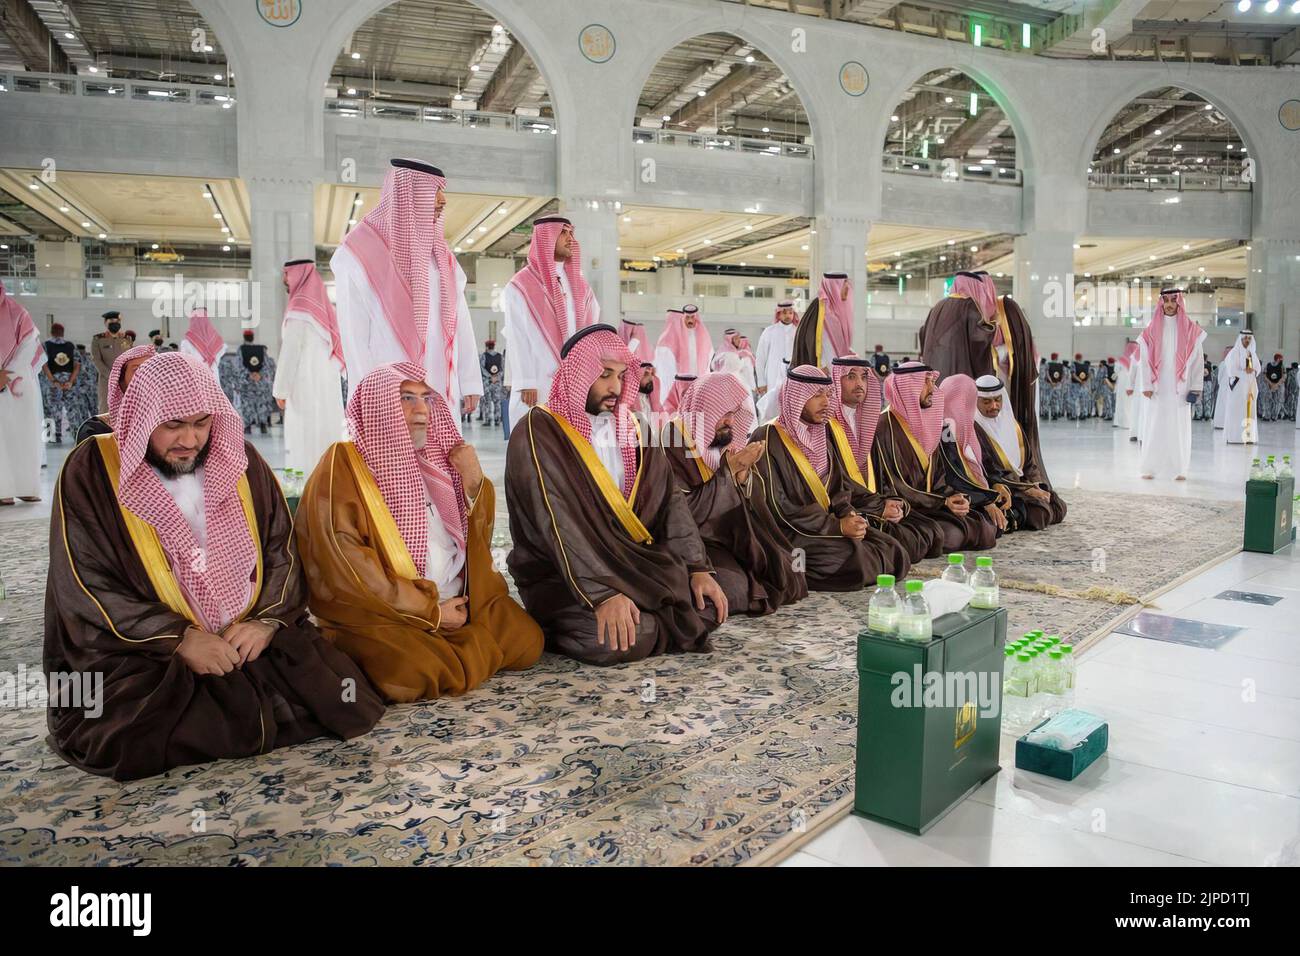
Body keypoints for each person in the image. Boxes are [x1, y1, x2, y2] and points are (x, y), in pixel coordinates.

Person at [44, 352, 384, 780]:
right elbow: (85, 580)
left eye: (201, 423)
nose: (189, 439)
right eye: (172, 425)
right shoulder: (91, 469)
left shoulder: (238, 457)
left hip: (246, 631)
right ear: (145, 416)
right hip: (141, 645)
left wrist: (265, 622)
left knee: (344, 696)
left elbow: (282, 547)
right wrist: (179, 639)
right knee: (130, 732)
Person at [295, 363, 543, 702]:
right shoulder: (341, 466)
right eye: (407, 398)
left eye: (426, 399)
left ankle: (455, 639)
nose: (422, 410)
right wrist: (432, 611)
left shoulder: (436, 458)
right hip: (387, 611)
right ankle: (445, 640)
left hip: (455, 597)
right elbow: (347, 568)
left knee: (527, 640)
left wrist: (475, 484)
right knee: (410, 671)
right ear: (378, 405)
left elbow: (476, 543)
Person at [505, 324, 726, 665]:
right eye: (605, 374)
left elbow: (670, 500)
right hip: (563, 575)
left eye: (622, 375)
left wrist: (698, 566)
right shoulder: (538, 429)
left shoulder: (636, 427)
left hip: (634, 565)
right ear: (577, 374)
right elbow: (557, 522)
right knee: (618, 640)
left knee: (707, 602)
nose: (616, 387)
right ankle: (642, 617)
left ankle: (651, 614)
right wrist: (602, 592)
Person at [331, 158, 482, 422]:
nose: (442, 200)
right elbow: (354, 337)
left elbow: (461, 322)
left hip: (440, 387)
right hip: (389, 388)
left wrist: (469, 381)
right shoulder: (358, 253)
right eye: (434, 191)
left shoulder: (442, 257)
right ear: (409, 195)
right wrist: (366, 397)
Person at [661, 371, 806, 615]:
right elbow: (683, 510)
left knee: (791, 567)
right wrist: (732, 470)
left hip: (728, 535)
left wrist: (743, 478)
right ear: (706, 410)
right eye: (723, 414)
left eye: (732, 414)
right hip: (693, 543)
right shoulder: (673, 440)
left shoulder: (720, 442)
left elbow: (749, 501)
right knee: (736, 589)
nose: (729, 421)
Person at [751, 365, 909, 588]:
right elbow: (778, 507)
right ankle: (787, 567)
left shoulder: (820, 433)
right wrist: (836, 527)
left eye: (828, 395)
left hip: (822, 528)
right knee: (853, 560)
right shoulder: (768, 436)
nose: (826, 403)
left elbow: (838, 486)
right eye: (817, 396)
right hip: (789, 534)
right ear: (796, 398)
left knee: (893, 548)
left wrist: (848, 515)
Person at [827, 354, 939, 563]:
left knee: (930, 531)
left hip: (871, 504)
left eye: (864, 377)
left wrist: (892, 500)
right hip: (847, 510)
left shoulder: (867, 423)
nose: (859, 384)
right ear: (835, 380)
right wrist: (878, 507)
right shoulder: (826, 426)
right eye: (850, 377)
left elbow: (881, 472)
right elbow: (837, 480)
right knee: (899, 545)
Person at [871, 362, 995, 551]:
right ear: (908, 388)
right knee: (947, 534)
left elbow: (938, 476)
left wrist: (953, 497)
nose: (932, 388)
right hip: (906, 508)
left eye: (932, 381)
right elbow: (894, 485)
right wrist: (942, 502)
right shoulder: (883, 427)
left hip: (931, 505)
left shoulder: (929, 425)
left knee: (982, 527)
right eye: (925, 382)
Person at [502, 216, 598, 430]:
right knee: (539, 444)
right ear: (547, 237)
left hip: (576, 381)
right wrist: (526, 380)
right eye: (563, 233)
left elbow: (593, 329)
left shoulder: (580, 285)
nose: (570, 238)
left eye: (571, 233)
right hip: (539, 381)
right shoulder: (521, 285)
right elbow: (517, 336)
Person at [274, 258, 346, 474]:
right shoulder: (325, 311)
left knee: (304, 440)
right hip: (327, 389)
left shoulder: (298, 312)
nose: (285, 280)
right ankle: (328, 483)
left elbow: (290, 354)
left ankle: (307, 490)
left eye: (287, 275)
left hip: (304, 388)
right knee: (326, 436)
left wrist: (280, 390)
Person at [974, 375, 1067, 530]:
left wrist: (1035, 484)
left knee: (1057, 504)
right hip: (1002, 488)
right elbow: (988, 472)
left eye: (998, 400)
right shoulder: (974, 428)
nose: (994, 405)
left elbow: (1029, 461)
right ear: (976, 401)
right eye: (987, 401)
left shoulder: (1013, 425)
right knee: (1039, 514)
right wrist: (1024, 488)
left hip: (1021, 485)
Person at [1137, 289, 1206, 479]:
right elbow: (1143, 360)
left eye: (1172, 301)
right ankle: (1150, 467)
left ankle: (1179, 468)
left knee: (1179, 427)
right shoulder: (1150, 330)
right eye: (1165, 301)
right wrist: (1146, 386)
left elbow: (1198, 362)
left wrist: (1196, 387)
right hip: (1157, 388)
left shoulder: (1191, 330)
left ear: (1179, 303)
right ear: (1161, 303)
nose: (1169, 304)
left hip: (1181, 388)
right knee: (1154, 425)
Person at [937, 374, 1008, 538]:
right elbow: (952, 475)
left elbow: (985, 463)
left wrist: (997, 484)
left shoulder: (967, 425)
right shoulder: (943, 430)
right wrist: (985, 501)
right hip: (955, 496)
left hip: (975, 493)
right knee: (983, 527)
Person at [0, 279, 45, 505]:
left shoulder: (17, 312)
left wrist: (5, 373)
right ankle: (3, 491)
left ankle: (27, 487)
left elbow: (29, 345)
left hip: (17, 383)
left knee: (23, 435)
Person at [917, 271, 994, 381]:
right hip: (958, 378)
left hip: (933, 378)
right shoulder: (969, 306)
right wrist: (992, 327)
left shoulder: (937, 306)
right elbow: (979, 340)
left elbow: (923, 333)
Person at [74, 343, 156, 443]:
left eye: (151, 369)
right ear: (120, 381)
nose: (145, 374)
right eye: (137, 369)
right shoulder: (97, 430)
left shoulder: (171, 424)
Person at [792, 274, 853, 370]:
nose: (847, 289)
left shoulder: (839, 309)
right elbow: (814, 339)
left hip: (838, 370)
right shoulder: (819, 308)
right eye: (843, 284)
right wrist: (822, 365)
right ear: (834, 287)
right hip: (822, 371)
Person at [654, 305, 713, 404]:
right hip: (676, 388)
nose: (690, 321)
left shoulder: (703, 335)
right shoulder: (667, 341)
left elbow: (708, 361)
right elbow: (666, 372)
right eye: (687, 318)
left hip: (698, 386)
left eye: (692, 317)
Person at [40, 323, 80, 444]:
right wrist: (70, 381)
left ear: (51, 332)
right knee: (72, 409)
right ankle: (76, 435)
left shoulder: (45, 345)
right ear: (63, 332)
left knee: (51, 410)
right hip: (68, 381)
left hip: (53, 383)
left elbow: (44, 365)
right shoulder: (70, 345)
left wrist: (53, 381)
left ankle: (52, 436)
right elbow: (77, 365)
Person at [1220, 329, 1260, 445]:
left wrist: (1253, 371)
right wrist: (1244, 372)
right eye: (1245, 338)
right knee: (1236, 411)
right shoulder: (1234, 352)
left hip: (1250, 386)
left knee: (1250, 411)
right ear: (1241, 339)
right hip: (1238, 387)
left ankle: (1249, 437)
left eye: (1249, 339)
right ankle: (1235, 437)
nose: (1247, 340)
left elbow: (1258, 369)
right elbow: (1232, 370)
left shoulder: (1252, 353)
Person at [755, 300, 798, 403]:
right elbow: (760, 358)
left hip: (793, 376)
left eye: (790, 313)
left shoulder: (798, 331)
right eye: (784, 312)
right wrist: (761, 382)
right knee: (772, 406)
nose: (788, 315)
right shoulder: (769, 332)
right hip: (772, 377)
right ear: (778, 314)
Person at [234, 329, 276, 435]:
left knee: (247, 405)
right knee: (261, 404)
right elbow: (267, 365)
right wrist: (259, 374)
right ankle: (263, 425)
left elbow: (238, 365)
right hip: (259, 383)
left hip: (247, 384)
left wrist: (249, 375)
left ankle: (248, 427)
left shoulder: (241, 349)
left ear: (244, 338)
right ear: (253, 337)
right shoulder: (261, 349)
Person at [90, 310, 130, 414]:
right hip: (106, 380)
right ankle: (106, 429)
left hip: (123, 380)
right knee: (105, 409)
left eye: (117, 321)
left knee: (125, 408)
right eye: (111, 321)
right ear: (105, 323)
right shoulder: (98, 339)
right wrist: (111, 375)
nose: (114, 324)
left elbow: (130, 358)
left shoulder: (126, 339)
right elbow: (96, 359)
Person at [180, 307, 226, 383]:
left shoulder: (186, 343)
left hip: (196, 378)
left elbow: (185, 364)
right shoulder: (218, 342)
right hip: (213, 377)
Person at [1114, 341, 1140, 431]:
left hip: (1122, 383)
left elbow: (1116, 371)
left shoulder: (1121, 360)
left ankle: (1119, 422)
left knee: (1121, 402)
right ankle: (1128, 423)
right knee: (1129, 403)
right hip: (1131, 383)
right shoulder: (1136, 360)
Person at [479, 339, 505, 428]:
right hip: (497, 382)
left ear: (486, 346)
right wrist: (496, 377)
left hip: (487, 382)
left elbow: (482, 368)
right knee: (497, 401)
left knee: (487, 401)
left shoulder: (483, 356)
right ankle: (497, 419)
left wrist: (490, 376)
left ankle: (487, 419)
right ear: (494, 346)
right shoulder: (500, 356)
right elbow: (502, 369)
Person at [1066, 354, 1092, 420]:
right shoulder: (1086, 365)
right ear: (1081, 358)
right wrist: (1085, 382)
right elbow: (1089, 375)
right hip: (1084, 386)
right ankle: (1083, 415)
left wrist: (1080, 381)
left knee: (1073, 400)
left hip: (1075, 385)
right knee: (1083, 400)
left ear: (1076, 358)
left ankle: (1074, 415)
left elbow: (1073, 375)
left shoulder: (1073, 364)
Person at [1261, 353, 1286, 422]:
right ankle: (1270, 416)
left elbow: (1283, 377)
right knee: (1271, 401)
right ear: (1278, 359)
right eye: (1281, 358)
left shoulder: (1280, 366)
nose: (1282, 360)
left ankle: (1272, 416)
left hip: (1275, 386)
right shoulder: (1270, 365)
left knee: (1275, 401)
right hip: (1271, 386)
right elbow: (1265, 375)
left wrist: (1275, 385)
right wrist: (1273, 384)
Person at [1212, 345, 1232, 430]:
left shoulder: (1224, 363)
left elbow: (1219, 378)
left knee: (1223, 407)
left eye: (1226, 352)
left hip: (1226, 388)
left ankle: (1221, 423)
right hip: (1226, 388)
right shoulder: (1225, 363)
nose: (1224, 353)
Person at [1042, 353, 1066, 421]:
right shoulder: (1061, 366)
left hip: (1049, 385)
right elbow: (1064, 375)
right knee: (1055, 400)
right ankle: (1054, 414)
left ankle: (1046, 414)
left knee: (1046, 400)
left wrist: (1051, 382)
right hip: (1057, 386)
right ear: (1057, 358)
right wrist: (1059, 382)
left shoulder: (1048, 364)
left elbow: (1046, 374)